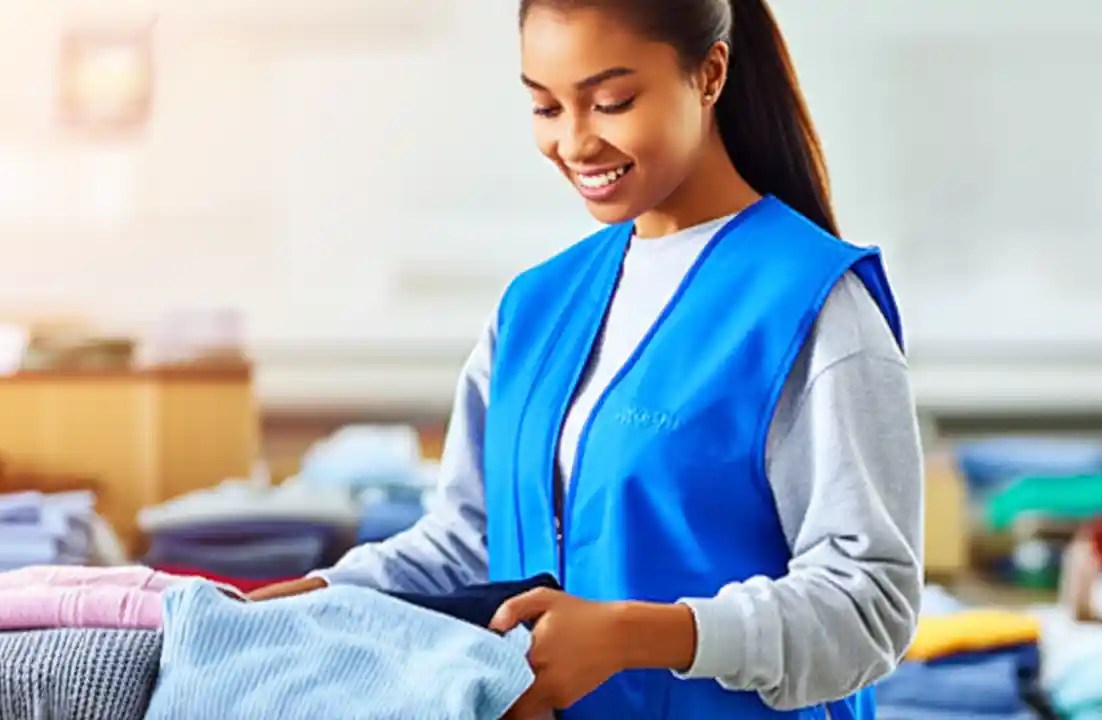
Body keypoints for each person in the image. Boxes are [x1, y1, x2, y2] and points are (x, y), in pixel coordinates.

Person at [249, 0, 924, 717]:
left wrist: (639, 636)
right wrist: (320, 598)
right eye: (544, 108)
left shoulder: (814, 308)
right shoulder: (533, 309)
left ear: (710, 73)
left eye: (611, 102)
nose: (575, 142)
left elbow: (869, 605)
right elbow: (469, 543)